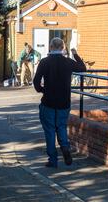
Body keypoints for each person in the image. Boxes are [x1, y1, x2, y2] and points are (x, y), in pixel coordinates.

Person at [33, 38, 86, 168]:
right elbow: (83, 68)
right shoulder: (68, 62)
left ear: (50, 47)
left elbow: (36, 81)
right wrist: (74, 53)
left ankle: (53, 160)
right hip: (64, 102)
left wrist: (42, 90)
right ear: (63, 47)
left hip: (48, 102)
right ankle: (65, 148)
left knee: (50, 131)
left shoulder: (44, 62)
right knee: (61, 127)